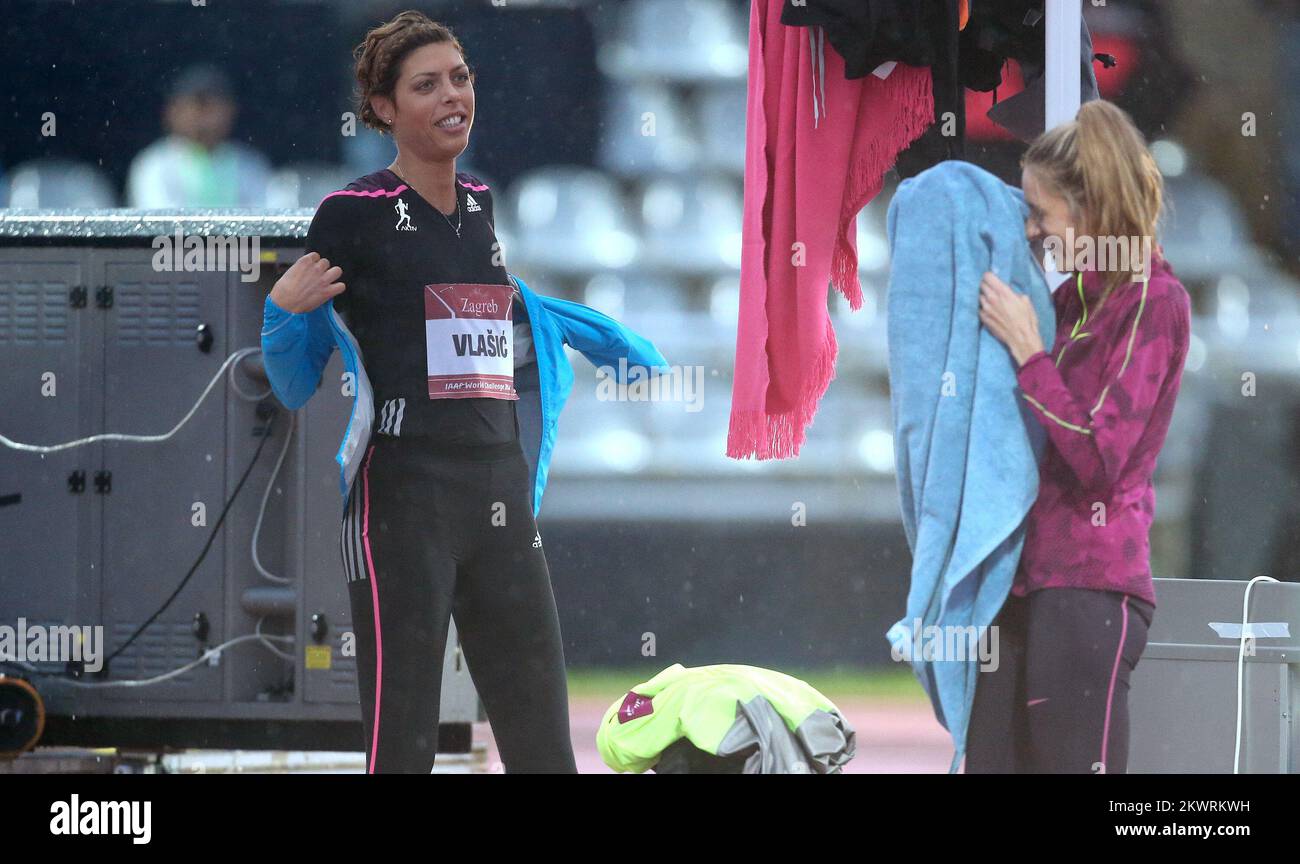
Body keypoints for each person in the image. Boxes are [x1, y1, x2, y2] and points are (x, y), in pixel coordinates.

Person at [261, 11, 665, 773]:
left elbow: (480, 316)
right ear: (382, 108)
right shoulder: (350, 215)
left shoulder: (480, 203)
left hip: (499, 492)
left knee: (544, 745)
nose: (453, 95)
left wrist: (565, 322)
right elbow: (292, 382)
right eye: (425, 85)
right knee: (404, 746)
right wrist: (283, 314)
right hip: (404, 500)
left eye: (461, 77)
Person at [968, 99, 1192, 773]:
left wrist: (1031, 353)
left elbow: (1100, 457)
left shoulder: (1152, 301)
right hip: (1024, 583)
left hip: (1088, 584)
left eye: (1041, 213)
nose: (1034, 231)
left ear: (1088, 210)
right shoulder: (1076, 300)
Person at [127, 63, 271, 208]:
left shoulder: (251, 164)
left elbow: (263, 215)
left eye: (215, 107)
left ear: (231, 111)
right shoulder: (154, 164)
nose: (205, 118)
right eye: (199, 105)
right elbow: (158, 223)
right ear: (173, 111)